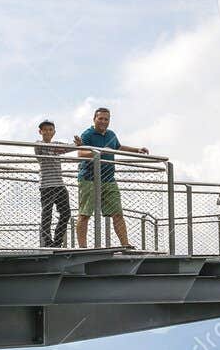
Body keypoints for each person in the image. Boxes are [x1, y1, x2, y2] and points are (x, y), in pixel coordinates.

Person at [73, 107, 149, 249]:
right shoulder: (87, 134)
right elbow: (81, 154)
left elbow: (118, 147)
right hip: (89, 178)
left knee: (117, 213)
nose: (103, 121)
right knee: (85, 214)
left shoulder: (111, 135)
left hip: (108, 179)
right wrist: (100, 152)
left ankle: (125, 245)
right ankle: (82, 247)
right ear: (94, 119)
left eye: (106, 119)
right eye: (100, 118)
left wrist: (136, 150)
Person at [36, 119, 71, 248]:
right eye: (45, 130)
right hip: (46, 185)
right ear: (40, 132)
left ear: (54, 132)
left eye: (50, 130)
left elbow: (69, 148)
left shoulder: (56, 144)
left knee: (66, 213)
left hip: (59, 184)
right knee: (47, 214)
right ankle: (47, 241)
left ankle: (57, 241)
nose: (47, 132)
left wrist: (78, 144)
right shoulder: (38, 144)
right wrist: (61, 149)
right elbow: (56, 149)